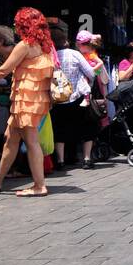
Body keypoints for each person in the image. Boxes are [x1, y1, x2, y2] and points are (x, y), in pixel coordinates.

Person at [0, 7, 55, 196]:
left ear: (25, 25)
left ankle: (39, 186)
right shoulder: (44, 45)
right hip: (32, 98)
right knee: (11, 138)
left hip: (26, 99)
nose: (15, 26)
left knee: (31, 141)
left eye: (17, 23)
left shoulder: (25, 45)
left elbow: (3, 70)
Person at [49, 24, 97, 172]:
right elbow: (91, 73)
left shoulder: (50, 56)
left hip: (58, 98)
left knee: (59, 128)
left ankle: (60, 161)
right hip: (78, 97)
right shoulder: (74, 54)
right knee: (87, 126)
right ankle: (87, 159)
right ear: (65, 40)